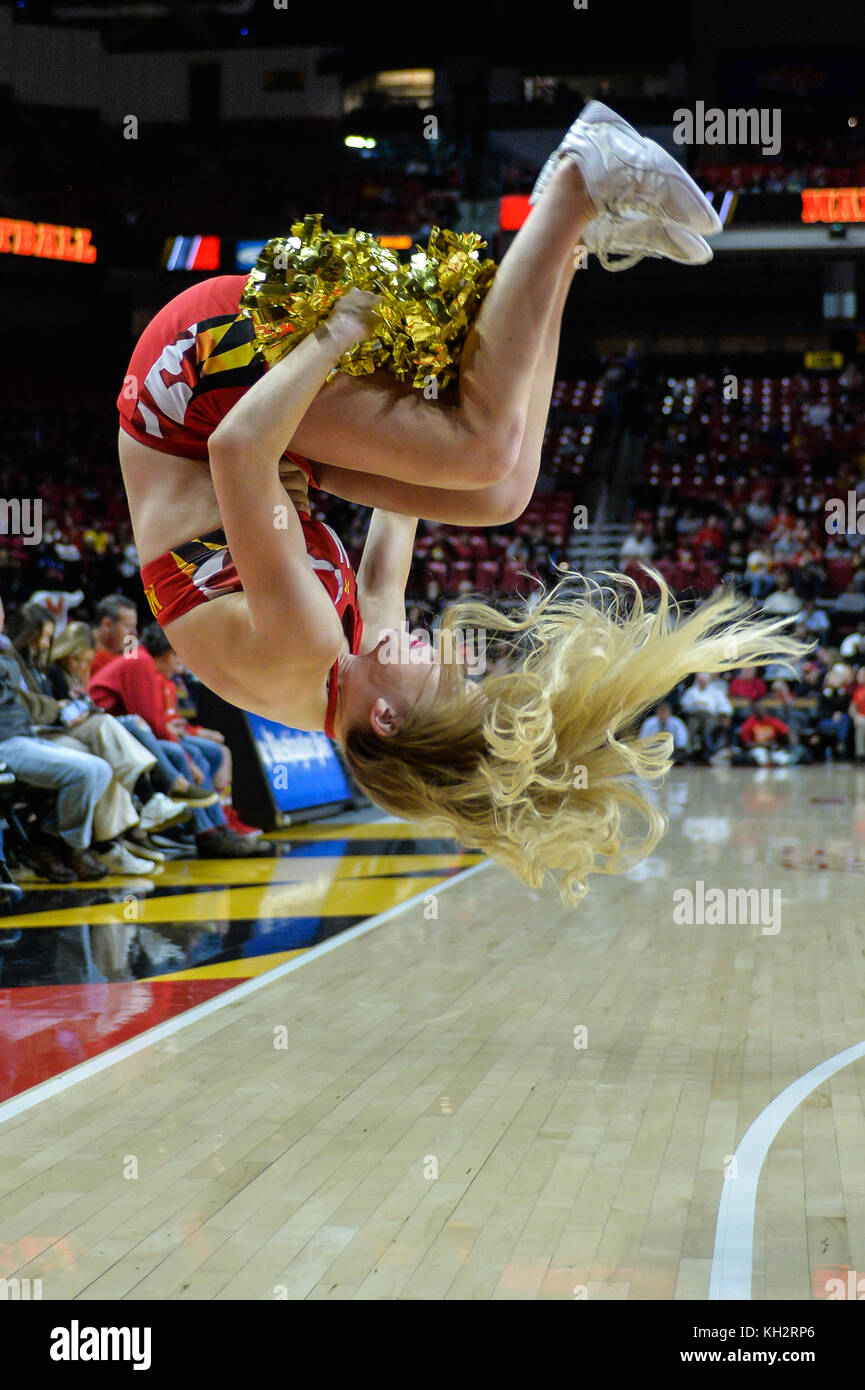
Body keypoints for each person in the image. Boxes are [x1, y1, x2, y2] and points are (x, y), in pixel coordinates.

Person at [114, 103, 807, 903]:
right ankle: (571, 244)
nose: (446, 657)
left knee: (476, 449)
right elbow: (382, 574)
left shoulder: (305, 651)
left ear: (386, 721)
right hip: (246, 433)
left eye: (445, 682)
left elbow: (237, 453)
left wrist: (334, 343)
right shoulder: (347, 684)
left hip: (186, 389)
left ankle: (580, 180)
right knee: (500, 490)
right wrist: (431, 449)